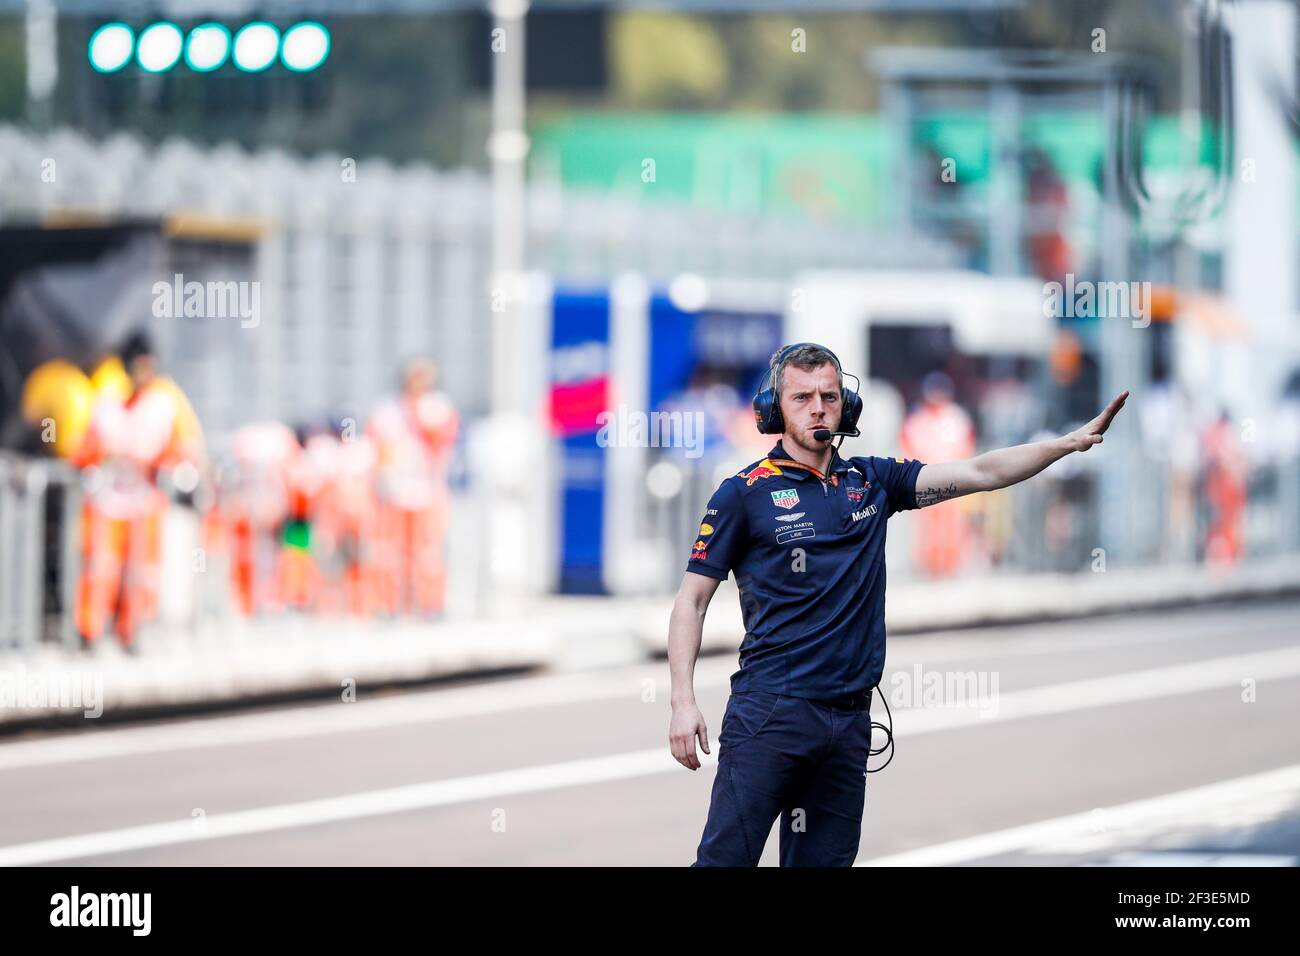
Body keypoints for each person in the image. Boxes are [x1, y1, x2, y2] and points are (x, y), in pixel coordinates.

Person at [668, 342, 1127, 866]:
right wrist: (682, 700)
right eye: (801, 398)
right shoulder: (742, 493)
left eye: (829, 396)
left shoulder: (873, 480)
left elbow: (982, 472)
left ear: (848, 406)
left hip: (848, 721)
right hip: (772, 712)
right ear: (775, 409)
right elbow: (692, 602)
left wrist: (1065, 445)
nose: (818, 407)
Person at [73, 331, 204, 647]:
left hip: (144, 501)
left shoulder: (164, 405)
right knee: (100, 566)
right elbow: (84, 450)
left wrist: (157, 461)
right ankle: (90, 631)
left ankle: (131, 630)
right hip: (108, 501)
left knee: (141, 570)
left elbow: (183, 451)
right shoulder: (106, 404)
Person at [367, 359, 459, 617]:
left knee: (428, 552)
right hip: (394, 491)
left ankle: (430, 605)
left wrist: (418, 416)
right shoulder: (386, 412)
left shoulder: (439, 408)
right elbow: (377, 448)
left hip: (428, 490)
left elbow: (443, 443)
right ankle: (388, 605)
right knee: (388, 551)